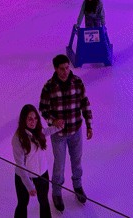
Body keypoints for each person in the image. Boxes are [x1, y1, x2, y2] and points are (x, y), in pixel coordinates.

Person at [38, 54, 93, 211]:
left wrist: (89, 125)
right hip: (59, 135)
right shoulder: (49, 87)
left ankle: (78, 186)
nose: (65, 71)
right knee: (59, 165)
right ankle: (56, 192)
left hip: (76, 131)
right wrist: (53, 121)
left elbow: (85, 103)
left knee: (77, 161)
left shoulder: (77, 82)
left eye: (67, 68)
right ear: (55, 69)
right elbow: (43, 109)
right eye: (62, 69)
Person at [12, 104, 63, 218]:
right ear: (23, 119)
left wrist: (57, 127)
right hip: (24, 176)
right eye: (30, 119)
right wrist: (29, 186)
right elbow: (20, 165)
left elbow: (45, 131)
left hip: (42, 173)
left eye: (35, 118)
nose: (33, 122)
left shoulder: (37, 130)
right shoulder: (17, 138)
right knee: (22, 203)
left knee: (44, 202)